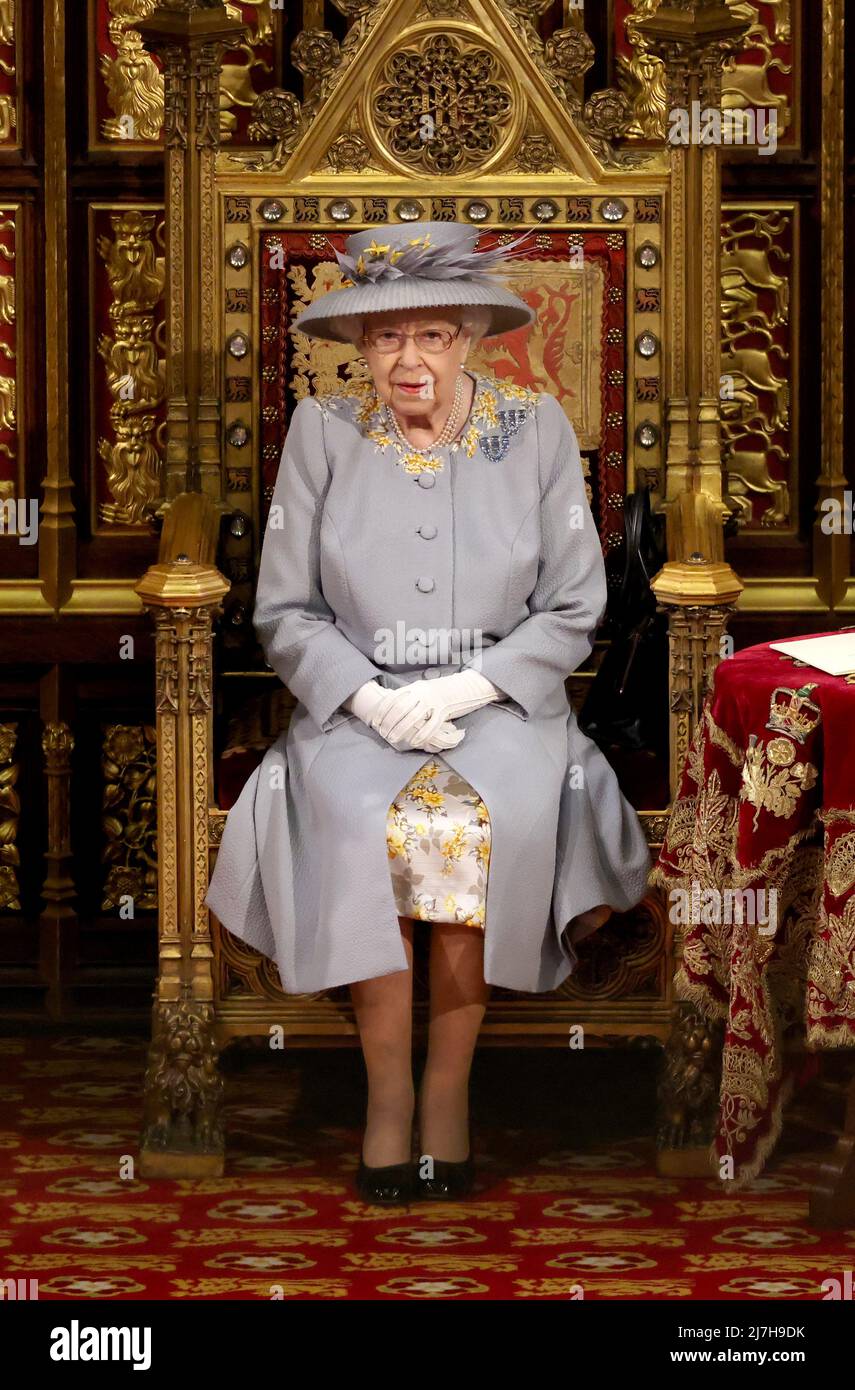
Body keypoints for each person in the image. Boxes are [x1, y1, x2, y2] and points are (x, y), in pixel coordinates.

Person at [204, 221, 652, 1204]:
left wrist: (471, 687)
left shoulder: (531, 429)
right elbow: (283, 609)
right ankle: (386, 1100)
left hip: (501, 709)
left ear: (469, 337)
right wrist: (363, 694)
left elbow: (577, 605)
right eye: (385, 337)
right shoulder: (322, 434)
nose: (410, 359)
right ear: (360, 348)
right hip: (352, 708)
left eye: (433, 336)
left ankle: (446, 1094)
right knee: (370, 823)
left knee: (464, 828)